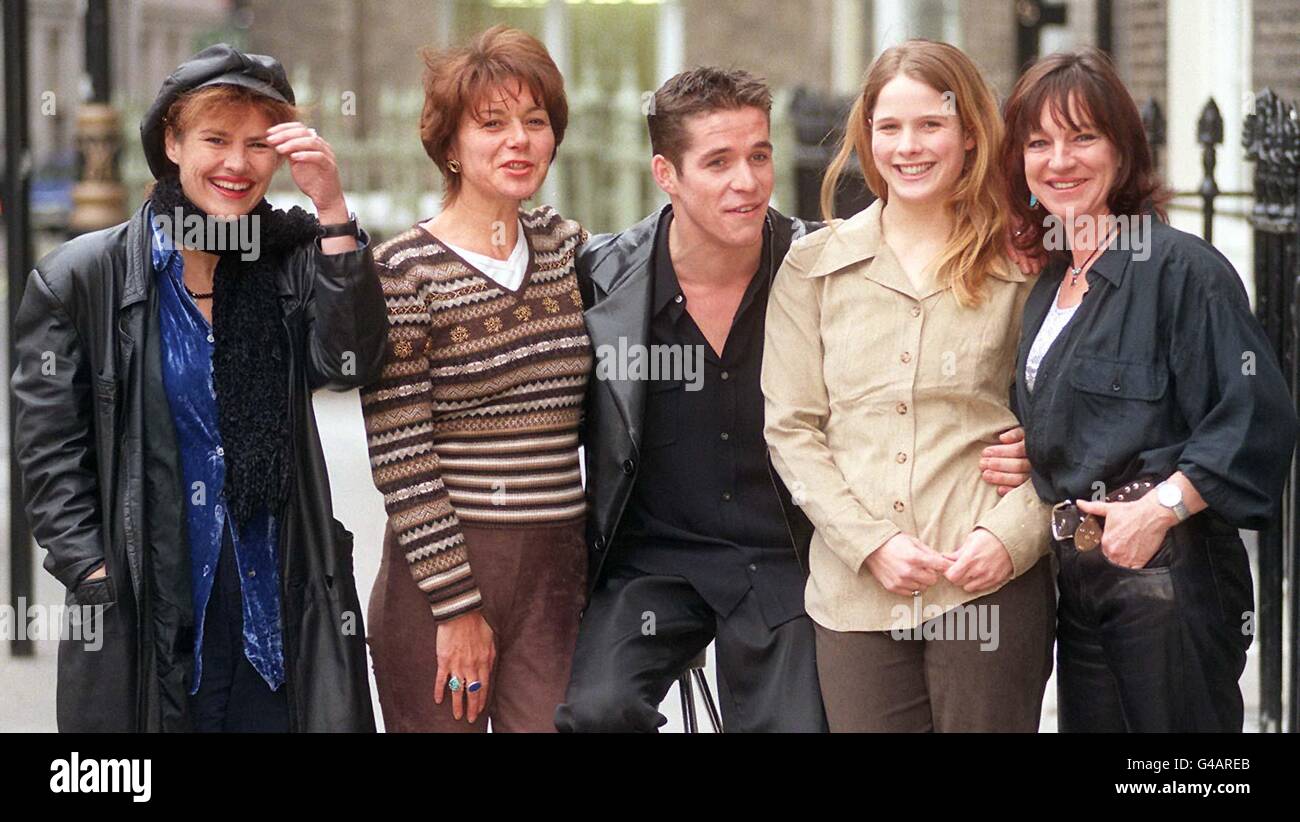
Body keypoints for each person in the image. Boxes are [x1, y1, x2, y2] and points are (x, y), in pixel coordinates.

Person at [554, 65, 1032, 733]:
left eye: (759, 155)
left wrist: (1021, 441)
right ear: (666, 174)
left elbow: (931, 371)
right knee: (595, 713)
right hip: (653, 564)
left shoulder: (818, 263)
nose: (746, 182)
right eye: (718, 162)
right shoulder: (602, 278)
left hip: (782, 556)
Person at [11, 43, 385, 732]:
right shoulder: (79, 279)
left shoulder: (292, 259)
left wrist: (332, 211)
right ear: (173, 144)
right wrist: (93, 573)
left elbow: (350, 363)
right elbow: (49, 459)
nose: (237, 164)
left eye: (256, 144)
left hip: (276, 601)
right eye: (215, 139)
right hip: (148, 605)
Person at [762, 40, 1056, 733]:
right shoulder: (814, 267)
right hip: (856, 594)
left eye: (931, 124)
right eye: (889, 127)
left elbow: (1069, 423)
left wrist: (1013, 536)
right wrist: (871, 544)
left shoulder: (1022, 264)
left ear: (970, 133)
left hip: (988, 580)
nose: (909, 146)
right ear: (866, 137)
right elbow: (792, 430)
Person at [1002, 48, 1297, 732]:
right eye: (1039, 142)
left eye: (1083, 137)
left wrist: (1161, 508)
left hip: (1168, 585)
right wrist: (1028, 452)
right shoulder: (1052, 284)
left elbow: (1258, 415)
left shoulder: (1182, 272)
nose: (1060, 161)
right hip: (1079, 585)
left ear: (1123, 149)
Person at [360, 26, 590, 732]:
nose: (518, 140)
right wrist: (457, 606)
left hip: (556, 573)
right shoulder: (404, 270)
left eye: (535, 122)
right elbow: (402, 455)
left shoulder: (566, 248)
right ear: (450, 145)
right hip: (442, 576)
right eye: (492, 124)